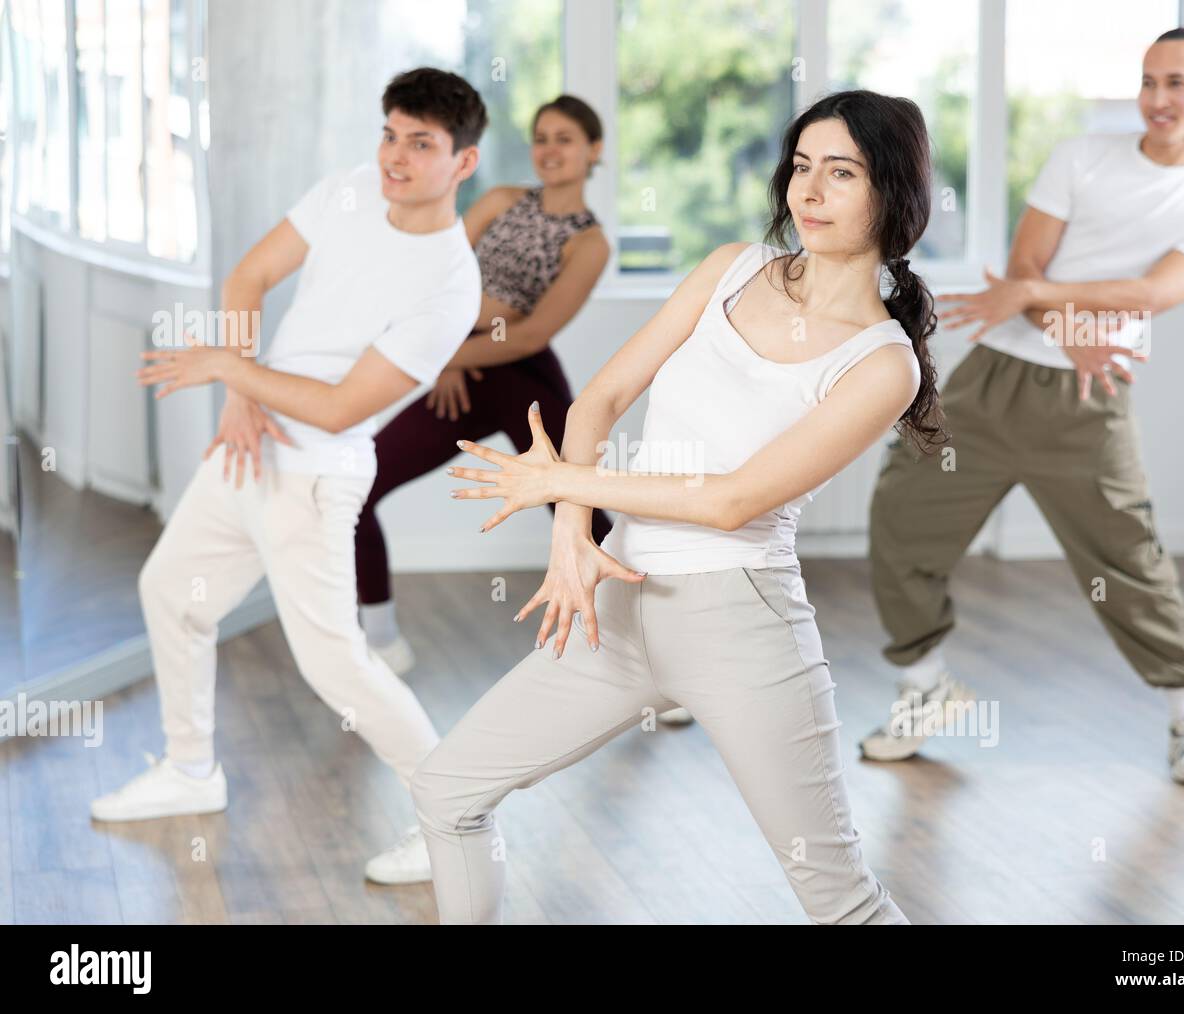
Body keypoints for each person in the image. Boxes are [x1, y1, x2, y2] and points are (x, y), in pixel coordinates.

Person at [411, 89, 946, 924]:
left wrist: (560, 483)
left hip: (741, 626)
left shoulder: (882, 364)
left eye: (840, 173)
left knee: (839, 901)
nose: (808, 191)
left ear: (893, 195)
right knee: (446, 791)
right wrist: (569, 544)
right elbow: (602, 397)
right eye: (801, 167)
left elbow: (731, 501)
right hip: (618, 606)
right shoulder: (732, 266)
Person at [94, 68, 485, 885]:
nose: (395, 157)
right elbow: (248, 275)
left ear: (464, 162)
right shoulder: (348, 190)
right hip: (251, 444)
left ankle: (458, 825)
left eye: (421, 144)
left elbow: (344, 407)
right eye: (389, 133)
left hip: (318, 473)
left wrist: (225, 368)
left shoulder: (450, 283)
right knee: (172, 591)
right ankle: (191, 769)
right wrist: (239, 386)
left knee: (336, 665)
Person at [860, 28, 1184, 786]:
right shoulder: (1082, 155)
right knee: (900, 518)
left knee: (1128, 562)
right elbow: (1027, 264)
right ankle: (924, 686)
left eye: (1176, 84)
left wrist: (1032, 297)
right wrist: (1062, 322)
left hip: (1089, 402)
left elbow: (1148, 294)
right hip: (992, 380)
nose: (1157, 99)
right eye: (1147, 82)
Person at [356, 95, 617, 680]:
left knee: (583, 517)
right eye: (541, 137)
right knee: (358, 484)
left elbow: (533, 334)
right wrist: (444, 354)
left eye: (566, 138)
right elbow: (437, 272)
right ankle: (381, 639)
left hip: (522, 379)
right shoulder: (501, 201)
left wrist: (446, 352)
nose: (550, 149)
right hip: (459, 370)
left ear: (593, 150)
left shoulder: (590, 242)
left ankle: (648, 657)